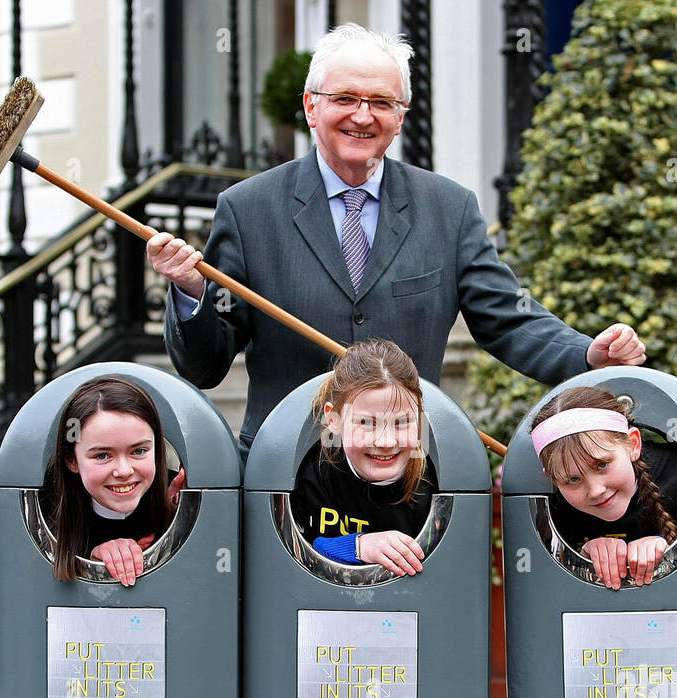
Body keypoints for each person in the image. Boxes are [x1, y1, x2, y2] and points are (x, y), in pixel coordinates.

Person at [147, 22, 646, 457]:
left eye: (381, 102)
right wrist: (192, 292)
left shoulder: (449, 208)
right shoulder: (247, 208)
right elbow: (205, 366)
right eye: (345, 99)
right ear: (311, 107)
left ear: (400, 116)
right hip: (285, 469)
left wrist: (587, 355)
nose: (363, 116)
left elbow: (508, 319)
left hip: (407, 467)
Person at [290, 339, 436, 576]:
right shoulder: (312, 474)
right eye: (367, 423)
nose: (386, 442)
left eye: (402, 422)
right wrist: (357, 547)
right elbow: (294, 551)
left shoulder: (435, 484)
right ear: (333, 420)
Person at [531, 386, 677, 590]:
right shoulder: (553, 510)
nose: (596, 490)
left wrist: (668, 547)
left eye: (602, 465)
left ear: (633, 445)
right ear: (553, 479)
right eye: (572, 479)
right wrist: (580, 555)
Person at [42, 376, 186, 585]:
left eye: (139, 451)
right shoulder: (49, 512)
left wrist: (181, 512)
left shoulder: (178, 493)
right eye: (102, 455)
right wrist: (94, 558)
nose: (124, 470)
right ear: (72, 460)